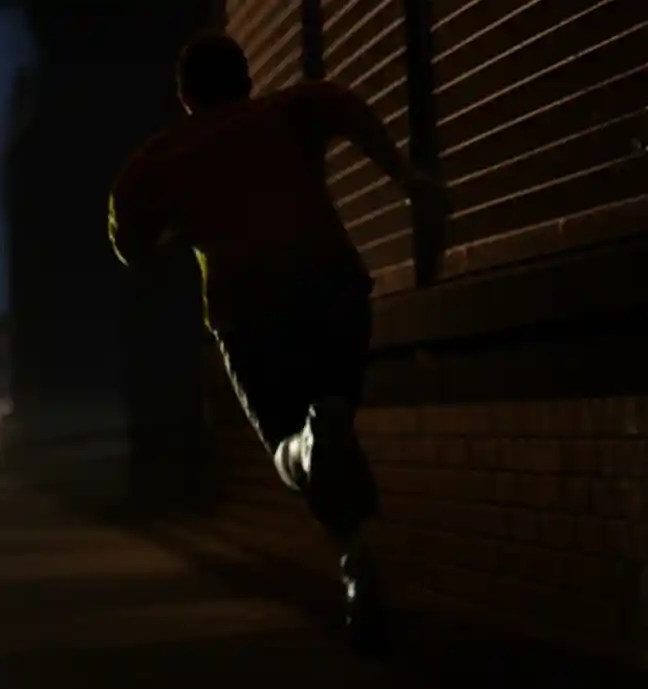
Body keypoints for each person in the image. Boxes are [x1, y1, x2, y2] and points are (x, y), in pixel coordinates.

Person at [107, 31, 442, 656]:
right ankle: (357, 556)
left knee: (289, 447)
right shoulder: (290, 108)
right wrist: (407, 177)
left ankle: (311, 441)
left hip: (250, 312)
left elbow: (130, 245)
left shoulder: (160, 156)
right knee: (337, 422)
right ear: (248, 78)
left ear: (184, 95)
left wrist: (176, 235)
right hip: (334, 288)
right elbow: (347, 106)